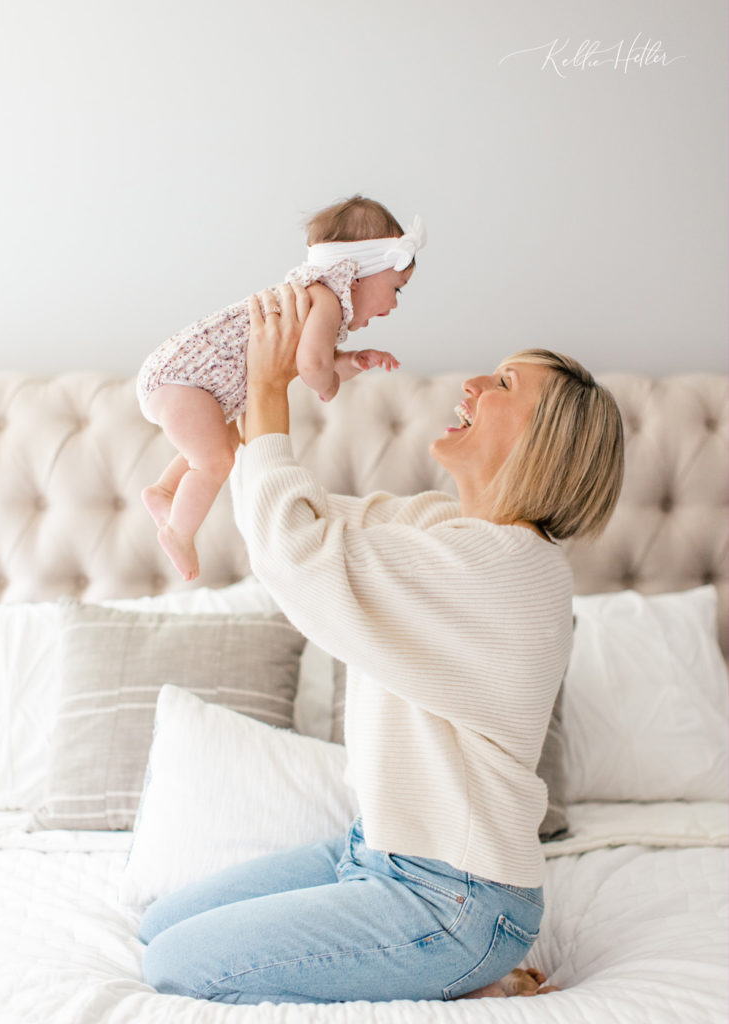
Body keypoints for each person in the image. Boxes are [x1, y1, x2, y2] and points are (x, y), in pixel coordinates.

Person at [139, 283, 625, 1005]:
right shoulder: (438, 526)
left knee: (175, 964)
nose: (470, 385)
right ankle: (459, 968)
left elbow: (297, 553)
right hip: (376, 853)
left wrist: (273, 390)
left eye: (500, 385)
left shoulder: (509, 569)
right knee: (160, 925)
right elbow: (292, 515)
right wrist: (241, 394)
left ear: (541, 439)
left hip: (455, 900)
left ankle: (474, 970)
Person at [137, 196, 426, 581]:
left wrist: (352, 361)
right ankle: (178, 532)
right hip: (184, 378)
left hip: (188, 383)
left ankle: (163, 491)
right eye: (396, 287)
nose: (393, 304)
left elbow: (316, 357)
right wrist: (330, 384)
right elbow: (311, 366)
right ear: (358, 273)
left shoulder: (315, 301)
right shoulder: (325, 298)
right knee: (215, 462)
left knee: (222, 445)